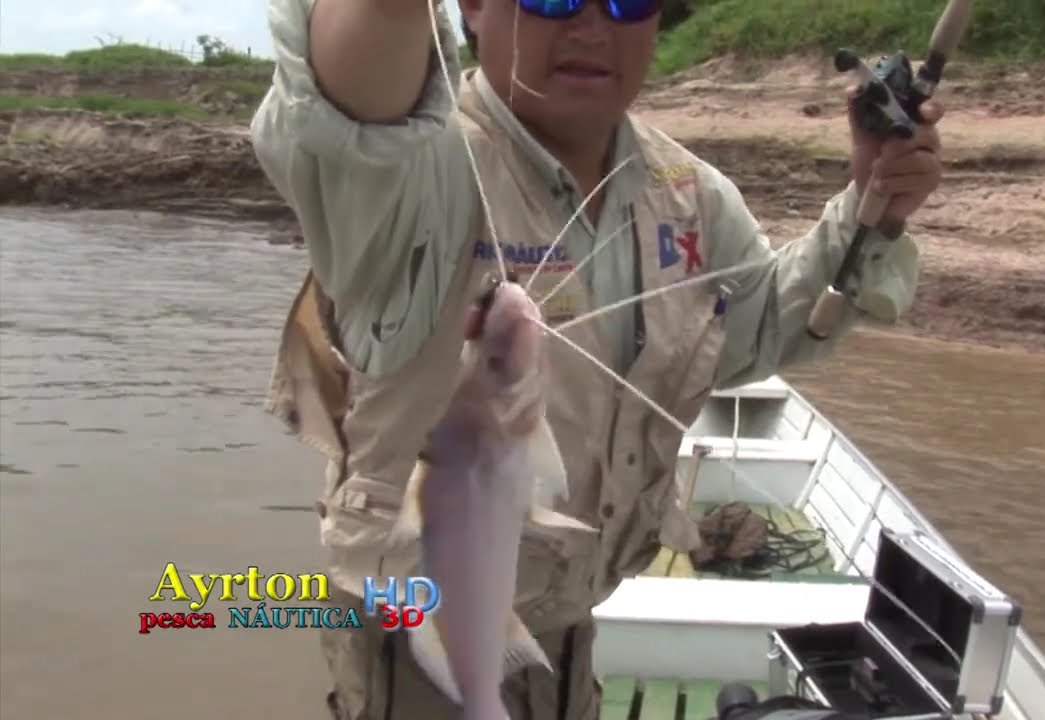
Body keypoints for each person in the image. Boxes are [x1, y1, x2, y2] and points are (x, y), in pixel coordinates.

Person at [249, 0, 944, 718]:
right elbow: (349, 116)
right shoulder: (409, 177)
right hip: (417, 643)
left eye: (627, 0)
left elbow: (764, 328)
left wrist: (874, 202)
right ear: (474, 9)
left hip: (570, 634)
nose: (590, 25)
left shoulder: (691, 196)